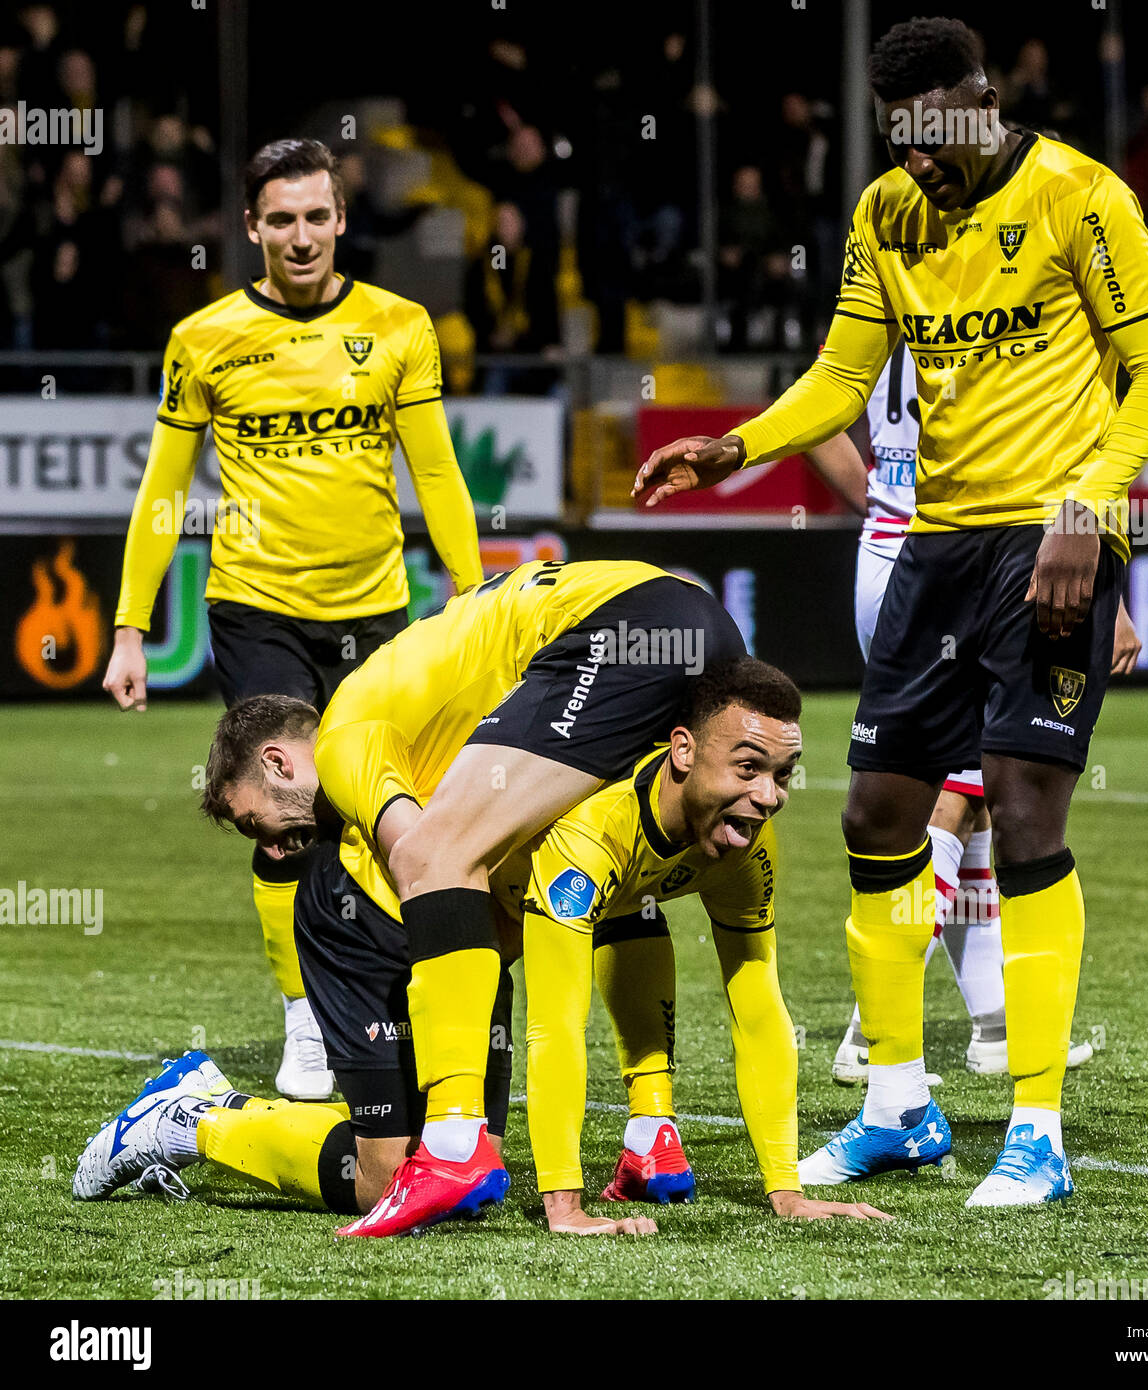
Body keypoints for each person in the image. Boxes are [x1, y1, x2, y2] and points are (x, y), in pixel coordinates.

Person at [633, 17, 1148, 1206]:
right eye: (899, 139)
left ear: (981, 101)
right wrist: (733, 447)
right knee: (877, 812)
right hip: (932, 544)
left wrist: (1089, 511)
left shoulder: (1082, 199)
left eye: (932, 138)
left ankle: (1035, 1130)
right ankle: (896, 1102)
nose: (916, 163)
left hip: (1050, 540)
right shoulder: (887, 210)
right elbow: (841, 376)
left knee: (1024, 808)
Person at [199, 558, 748, 1235]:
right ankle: (649, 1130)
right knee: (621, 863)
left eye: (259, 822)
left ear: (278, 761)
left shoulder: (345, 740)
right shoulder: (442, 713)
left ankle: (449, 1146)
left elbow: (424, 859)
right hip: (699, 620)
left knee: (441, 854)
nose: (278, 848)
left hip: (616, 632)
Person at [102, 138, 483, 1103]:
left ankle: (389, 991)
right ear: (251, 227)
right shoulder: (205, 339)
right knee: (285, 821)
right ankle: (305, 1020)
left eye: (318, 216)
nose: (302, 236)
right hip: (256, 606)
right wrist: (128, 626)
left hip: (376, 612)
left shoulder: (400, 326)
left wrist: (475, 597)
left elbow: (435, 473)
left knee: (384, 809)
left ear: (343, 220)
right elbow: (163, 489)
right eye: (282, 219)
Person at [805, 343, 1140, 1093]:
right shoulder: (992, 311)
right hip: (955, 561)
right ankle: (871, 1030)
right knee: (953, 799)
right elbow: (1061, 450)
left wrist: (881, 500)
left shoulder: (896, 300)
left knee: (977, 793)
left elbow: (815, 413)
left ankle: (994, 1024)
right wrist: (1112, 594)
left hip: (896, 553)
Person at [490, 657, 890, 1234]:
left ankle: (654, 1132)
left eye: (781, 774)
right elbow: (555, 1023)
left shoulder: (747, 843)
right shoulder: (592, 832)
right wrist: (565, 1207)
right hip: (453, 920)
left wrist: (788, 1190)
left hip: (602, 894)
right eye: (748, 768)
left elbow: (759, 1006)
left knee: (634, 900)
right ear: (683, 751)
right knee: (417, 1155)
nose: (770, 796)